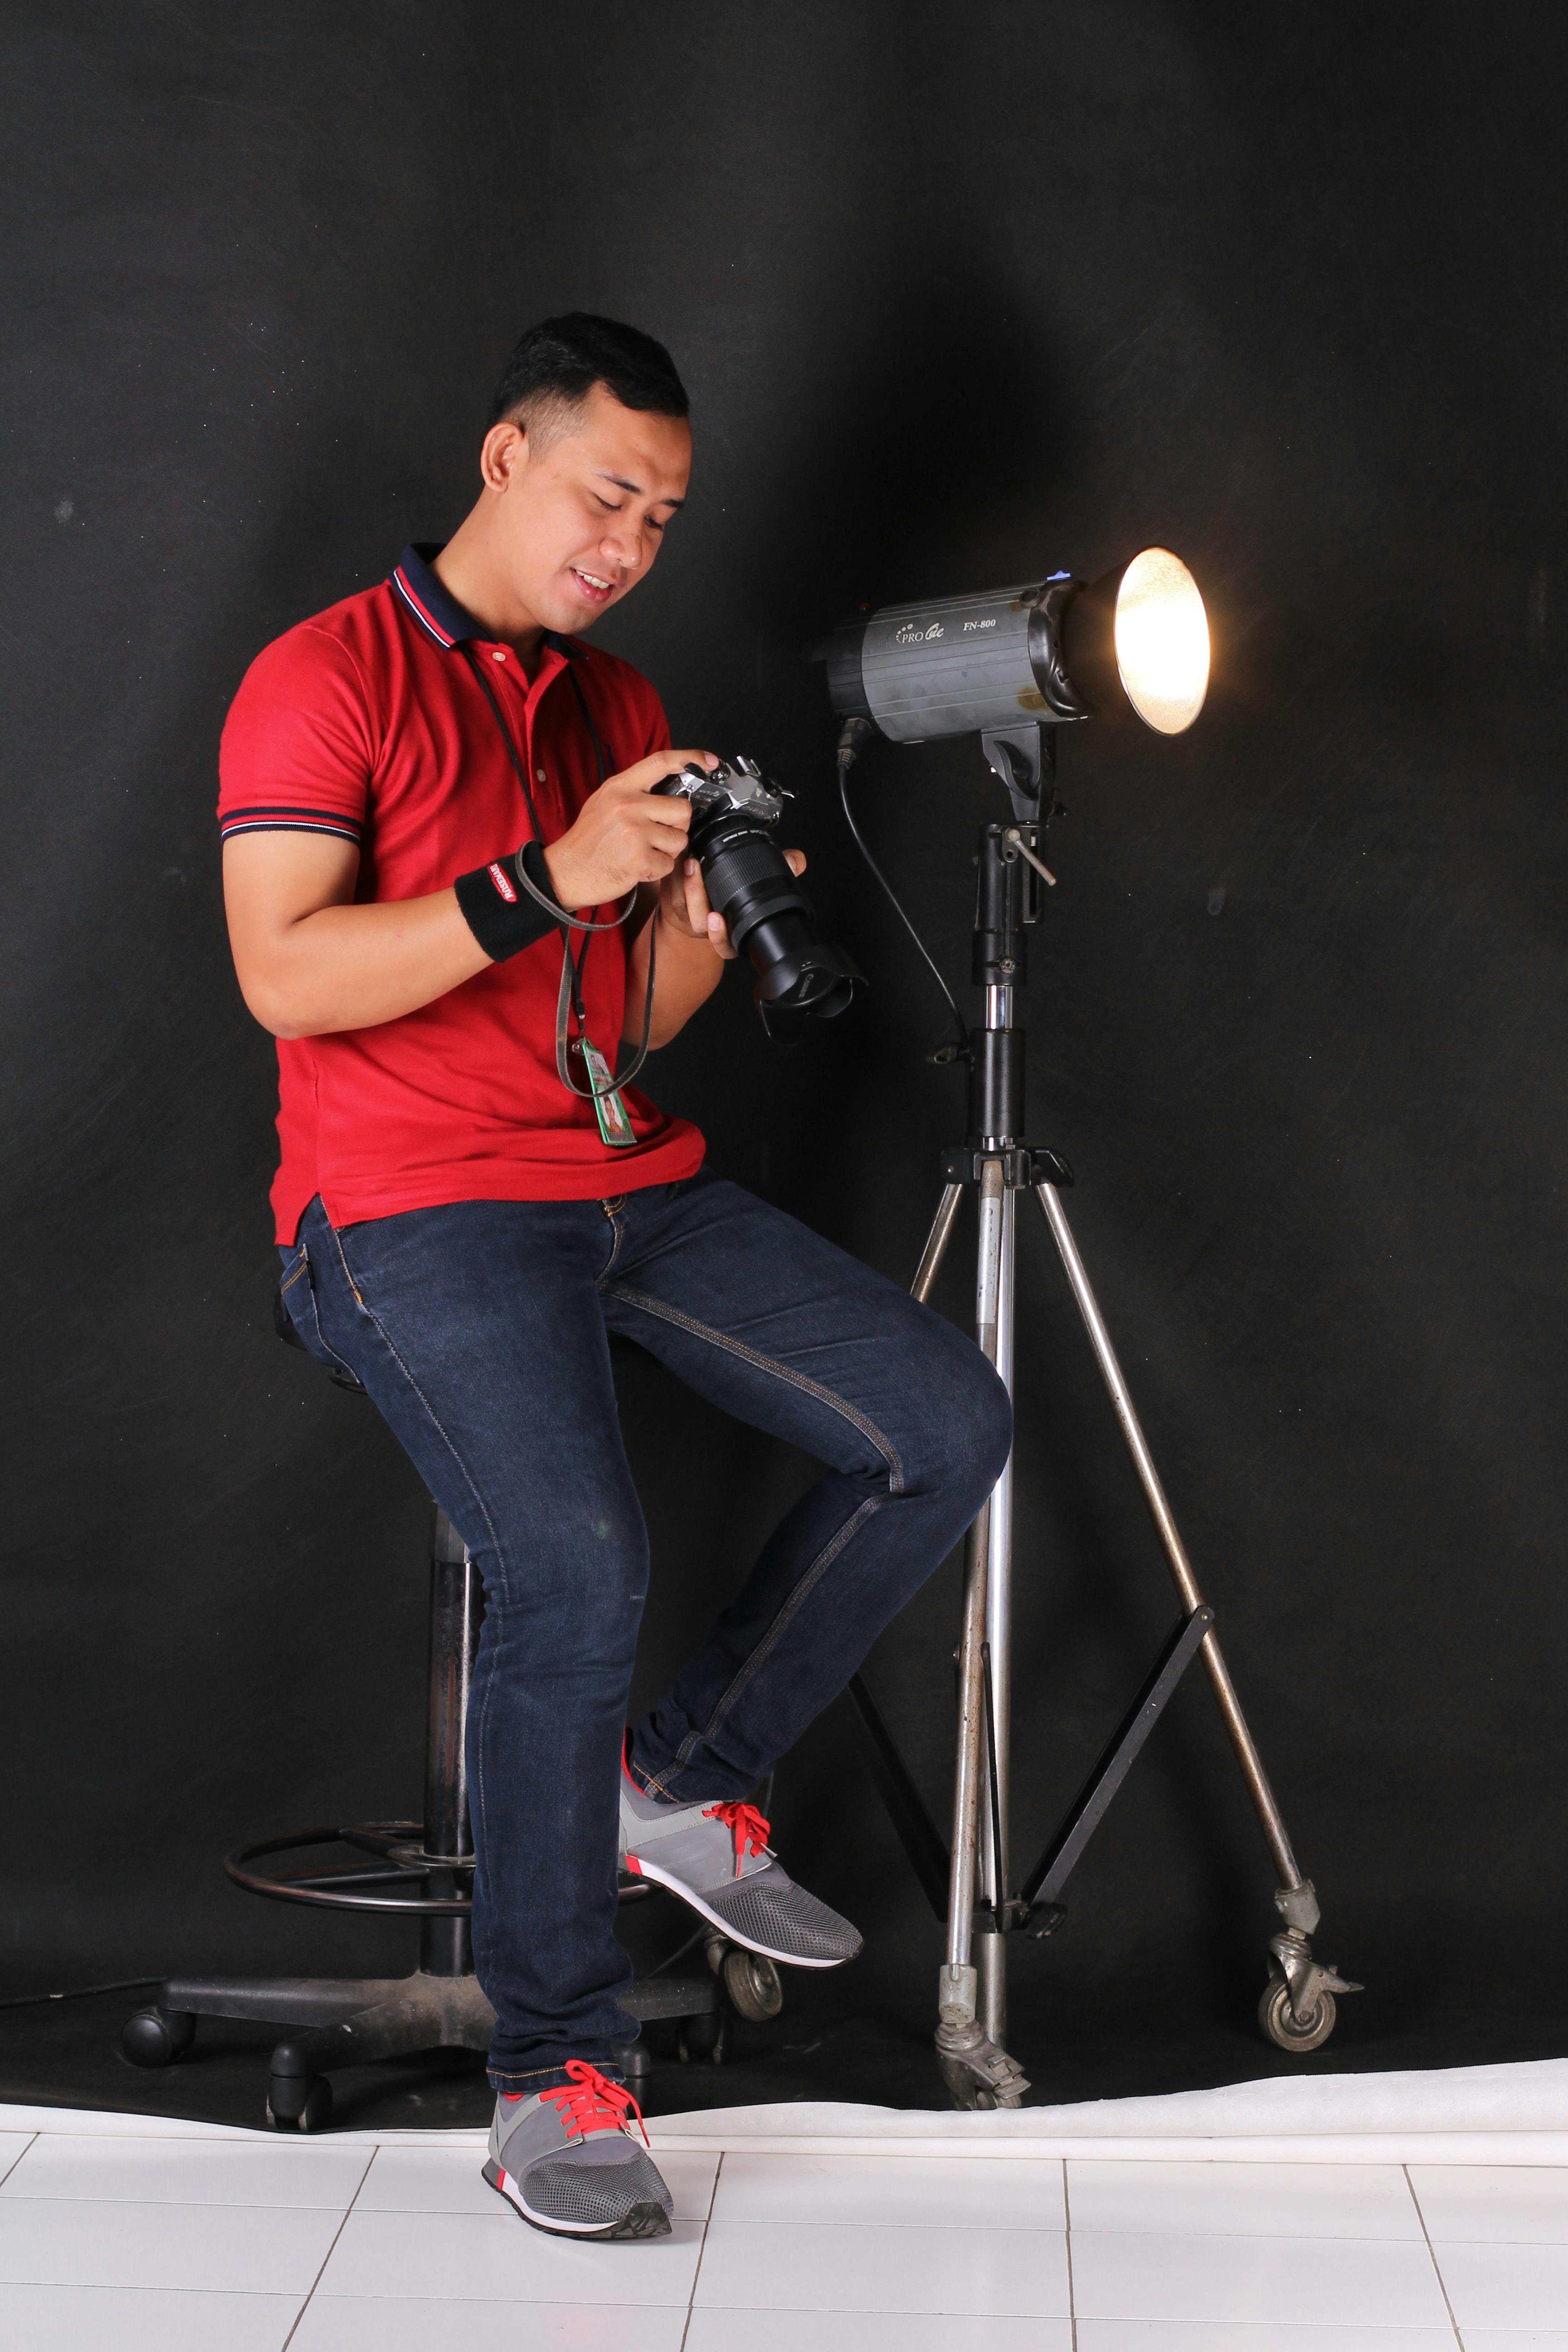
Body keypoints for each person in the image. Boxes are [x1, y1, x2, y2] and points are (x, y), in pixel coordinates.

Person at [218, 313, 1011, 2240]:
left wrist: (705, 928)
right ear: (507, 458)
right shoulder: (324, 675)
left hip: (611, 1179)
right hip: (400, 1207)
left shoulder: (619, 701)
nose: (629, 543)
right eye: (606, 495)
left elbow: (620, 1029)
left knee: (941, 1421)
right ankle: (552, 2077)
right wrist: (542, 881)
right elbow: (285, 975)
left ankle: (678, 1779)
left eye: (662, 517)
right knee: (576, 1567)